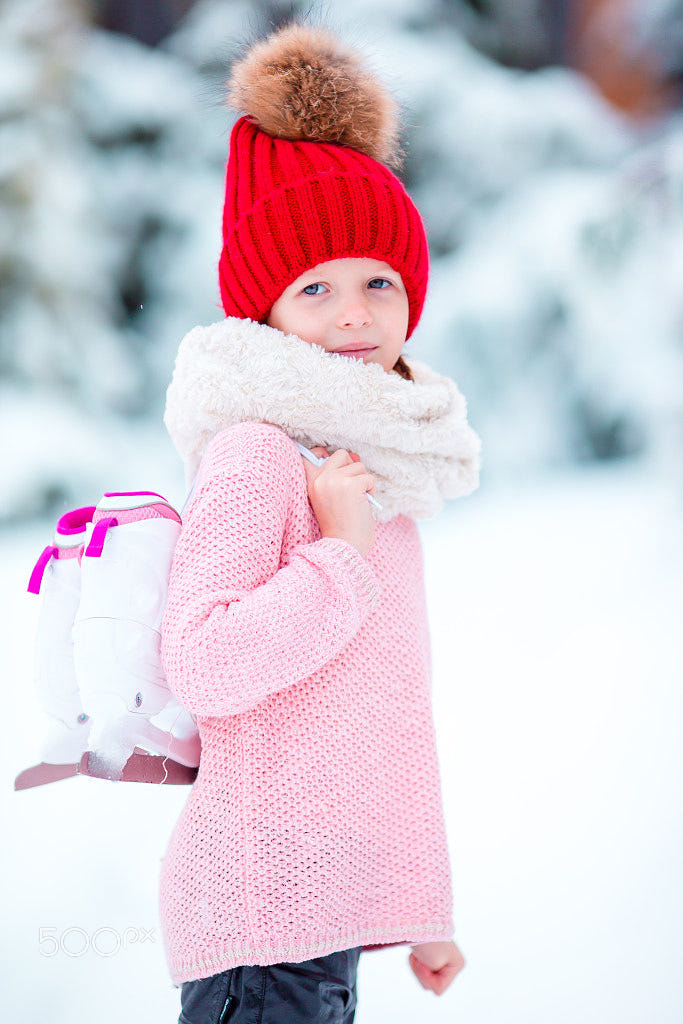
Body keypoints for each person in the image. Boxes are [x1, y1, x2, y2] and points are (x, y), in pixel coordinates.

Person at [159, 19, 481, 1024]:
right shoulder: (258, 453)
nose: (354, 315)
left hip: (320, 929)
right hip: (260, 931)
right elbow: (202, 662)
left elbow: (381, 725)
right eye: (315, 288)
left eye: (377, 281)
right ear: (264, 314)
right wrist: (335, 554)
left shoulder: (369, 477)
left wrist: (422, 907)